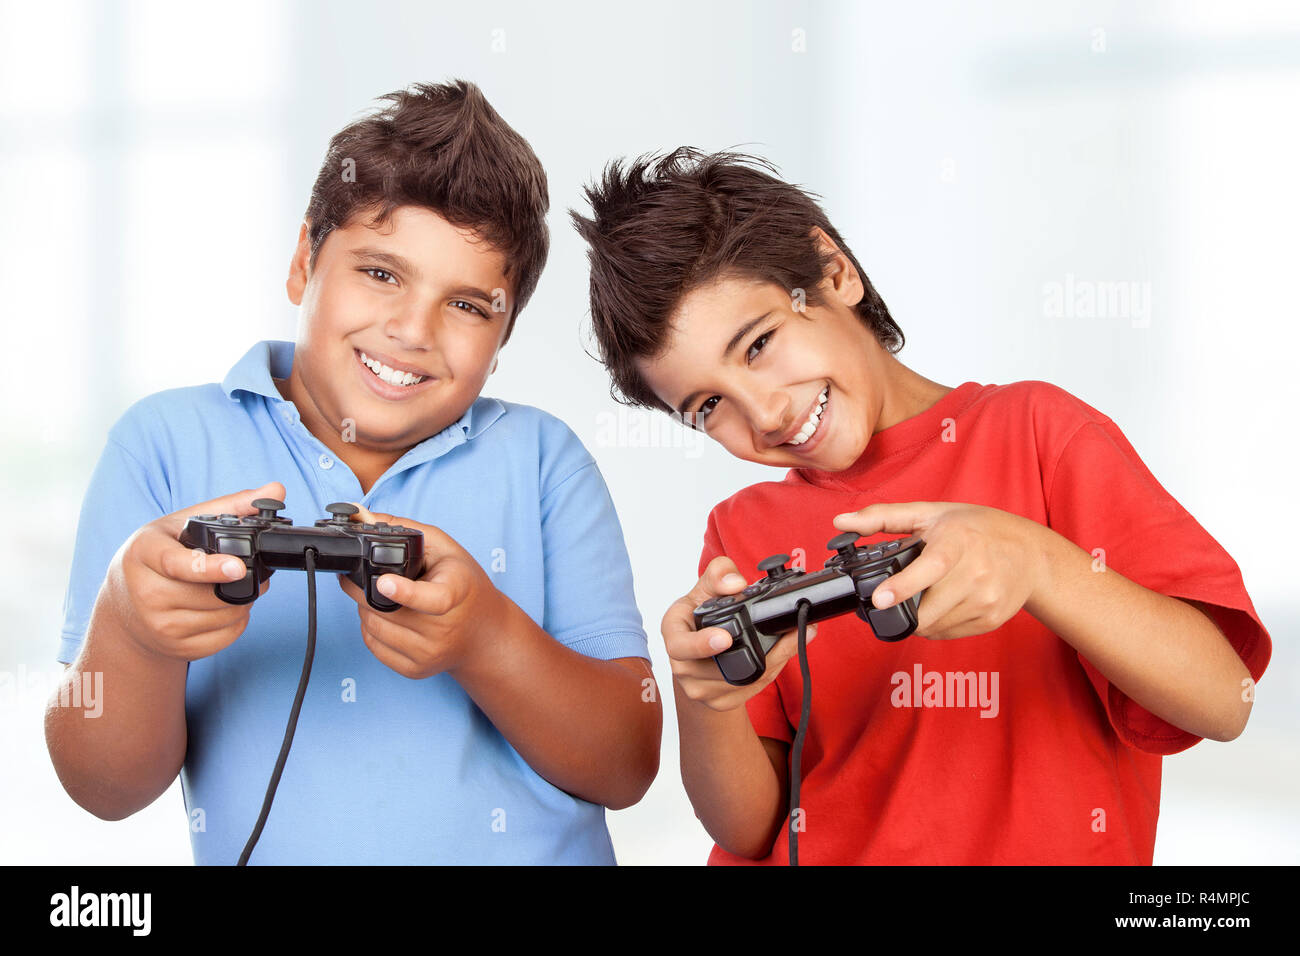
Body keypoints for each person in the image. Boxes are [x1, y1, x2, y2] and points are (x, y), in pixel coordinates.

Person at [570, 147, 1271, 865]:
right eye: (709, 406)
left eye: (759, 344)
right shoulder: (743, 529)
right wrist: (704, 700)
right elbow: (750, 829)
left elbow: (1225, 699)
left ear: (833, 272)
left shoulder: (1039, 433)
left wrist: (1039, 566)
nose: (766, 413)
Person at [47, 80, 660, 865]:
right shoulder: (163, 443)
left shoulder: (544, 461)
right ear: (304, 262)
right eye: (380, 273)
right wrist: (133, 634)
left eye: (469, 305)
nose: (411, 330)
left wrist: (486, 638)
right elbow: (103, 789)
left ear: (505, 334)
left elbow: (626, 764)